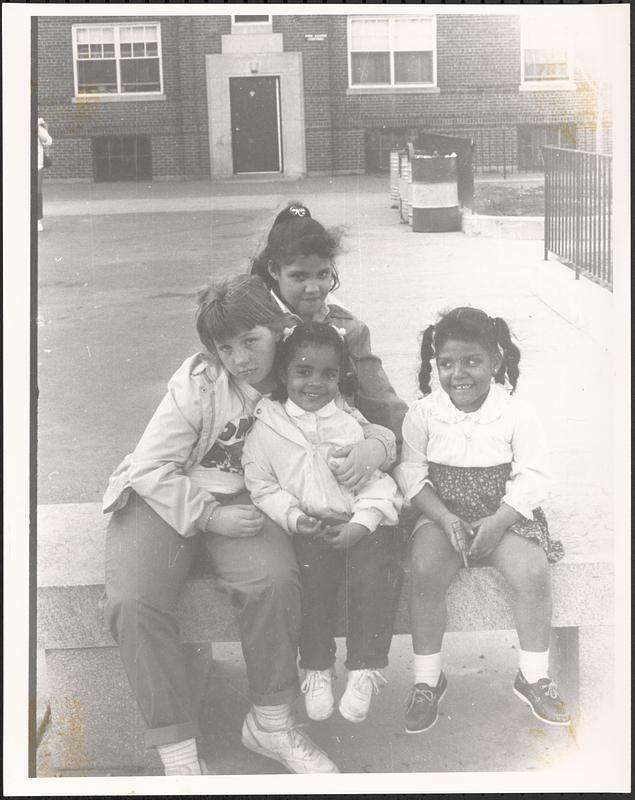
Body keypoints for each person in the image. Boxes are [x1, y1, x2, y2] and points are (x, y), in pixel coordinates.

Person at [101, 274, 397, 776]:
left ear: (278, 328)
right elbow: (151, 468)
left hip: (252, 500)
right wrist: (210, 515)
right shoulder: (199, 382)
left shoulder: (299, 367)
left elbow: (364, 418)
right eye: (226, 347)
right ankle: (179, 757)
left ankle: (271, 723)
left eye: (250, 341)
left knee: (275, 580)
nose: (240, 358)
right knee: (132, 601)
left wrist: (377, 445)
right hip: (163, 494)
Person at [393, 306, 570, 735]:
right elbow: (411, 475)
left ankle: (532, 676)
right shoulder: (423, 413)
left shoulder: (515, 411)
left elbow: (534, 476)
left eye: (472, 361)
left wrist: (497, 522)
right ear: (435, 365)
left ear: (495, 361)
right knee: (425, 570)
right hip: (442, 514)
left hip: (504, 513)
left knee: (532, 572)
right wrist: (445, 516)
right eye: (447, 363)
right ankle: (427, 680)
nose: (459, 374)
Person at [242, 322, 403, 726]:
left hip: (360, 523)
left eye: (328, 374)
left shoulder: (348, 423)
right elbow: (261, 486)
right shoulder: (267, 426)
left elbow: (379, 482)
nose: (316, 383)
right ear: (283, 373)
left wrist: (362, 523)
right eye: (303, 371)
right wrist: (294, 518)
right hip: (309, 527)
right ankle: (316, 668)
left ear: (340, 377)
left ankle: (365, 668)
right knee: (310, 582)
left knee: (376, 574)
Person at [250, 201, 408, 448]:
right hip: (268, 449)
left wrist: (406, 447)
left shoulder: (349, 328)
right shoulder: (254, 326)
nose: (313, 289)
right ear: (273, 269)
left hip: (335, 446)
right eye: (299, 276)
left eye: (323, 274)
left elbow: (381, 401)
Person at [37, 117, 52, 232]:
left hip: (36, 164)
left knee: (36, 191)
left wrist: (37, 129)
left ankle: (37, 220)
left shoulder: (37, 123)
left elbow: (48, 141)